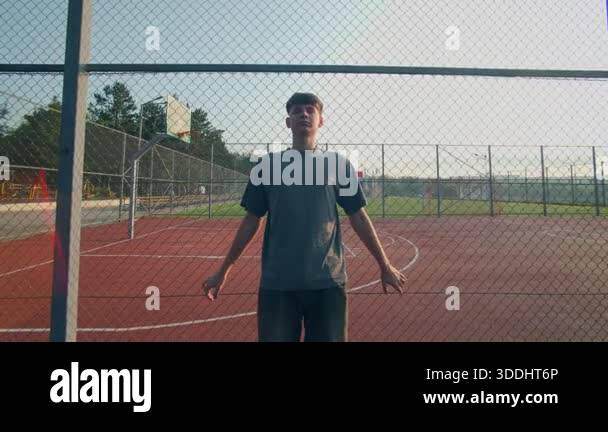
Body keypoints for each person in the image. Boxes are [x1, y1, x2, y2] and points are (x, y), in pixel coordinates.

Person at [203, 93, 405, 342]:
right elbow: (250, 222)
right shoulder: (266, 166)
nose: (304, 114)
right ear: (288, 122)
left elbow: (359, 217)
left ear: (321, 121)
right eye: (297, 110)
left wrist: (384, 265)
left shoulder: (338, 165)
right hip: (278, 284)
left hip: (327, 283)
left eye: (310, 110)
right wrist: (223, 271)